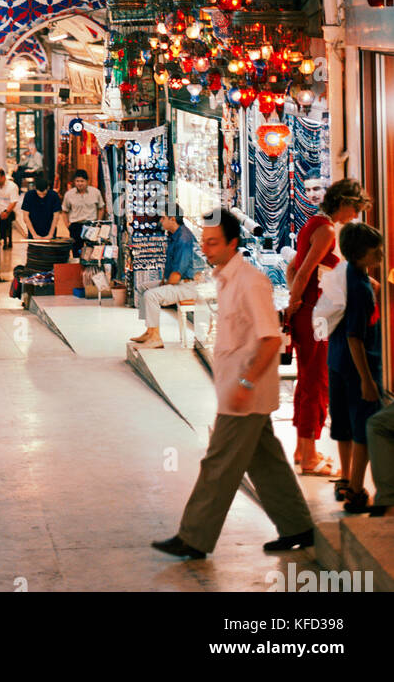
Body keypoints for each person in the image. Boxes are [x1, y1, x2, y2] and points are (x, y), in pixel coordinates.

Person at [152, 209, 314, 559]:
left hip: (246, 395)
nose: (205, 249)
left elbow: (270, 339)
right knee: (266, 463)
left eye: (213, 243)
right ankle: (298, 526)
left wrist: (244, 382)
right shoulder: (226, 280)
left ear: (232, 244)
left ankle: (193, 537)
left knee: (218, 463)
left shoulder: (251, 282)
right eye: (205, 242)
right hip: (238, 391)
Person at [286, 178, 371, 477]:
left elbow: (293, 268)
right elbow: (304, 270)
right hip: (315, 315)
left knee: (308, 380)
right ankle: (309, 457)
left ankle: (303, 448)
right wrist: (295, 303)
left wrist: (294, 304)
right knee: (316, 383)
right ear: (345, 203)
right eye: (355, 209)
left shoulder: (315, 224)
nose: (355, 216)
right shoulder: (326, 229)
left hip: (308, 312)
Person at [327, 221, 384, 515]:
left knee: (344, 424)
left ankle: (347, 478)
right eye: (376, 252)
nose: (381, 256)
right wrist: (367, 380)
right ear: (362, 254)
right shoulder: (361, 288)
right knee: (364, 427)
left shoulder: (346, 272)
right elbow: (355, 337)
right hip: (357, 366)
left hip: (336, 359)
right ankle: (357, 491)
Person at [128, 212, 198, 348]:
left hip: (187, 285)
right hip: (178, 282)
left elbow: (177, 273)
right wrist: (164, 281)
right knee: (144, 287)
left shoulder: (184, 239)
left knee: (151, 295)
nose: (160, 221)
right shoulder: (174, 235)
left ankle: (156, 338)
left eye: (163, 218)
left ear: (172, 218)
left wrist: (164, 285)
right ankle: (150, 330)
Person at [61, 169, 104, 258]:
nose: (80, 183)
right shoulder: (69, 194)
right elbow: (65, 211)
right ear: (74, 182)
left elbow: (101, 208)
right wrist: (68, 225)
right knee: (76, 251)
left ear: (87, 181)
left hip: (91, 226)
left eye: (82, 181)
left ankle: (92, 271)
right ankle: (78, 270)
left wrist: (98, 222)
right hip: (76, 225)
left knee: (92, 251)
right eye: (77, 181)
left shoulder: (95, 192)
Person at [21, 172, 62, 240]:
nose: (42, 196)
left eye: (44, 194)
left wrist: (50, 234)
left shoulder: (54, 195)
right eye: (39, 194)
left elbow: (56, 217)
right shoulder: (29, 195)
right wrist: (34, 235)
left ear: (48, 188)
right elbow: (26, 217)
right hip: (34, 228)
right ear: (35, 188)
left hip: (49, 228)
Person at [0, 168, 20, 249]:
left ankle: (3, 239)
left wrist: (7, 212)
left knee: (3, 220)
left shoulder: (12, 186)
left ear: (3, 177)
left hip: (8, 210)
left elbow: (13, 202)